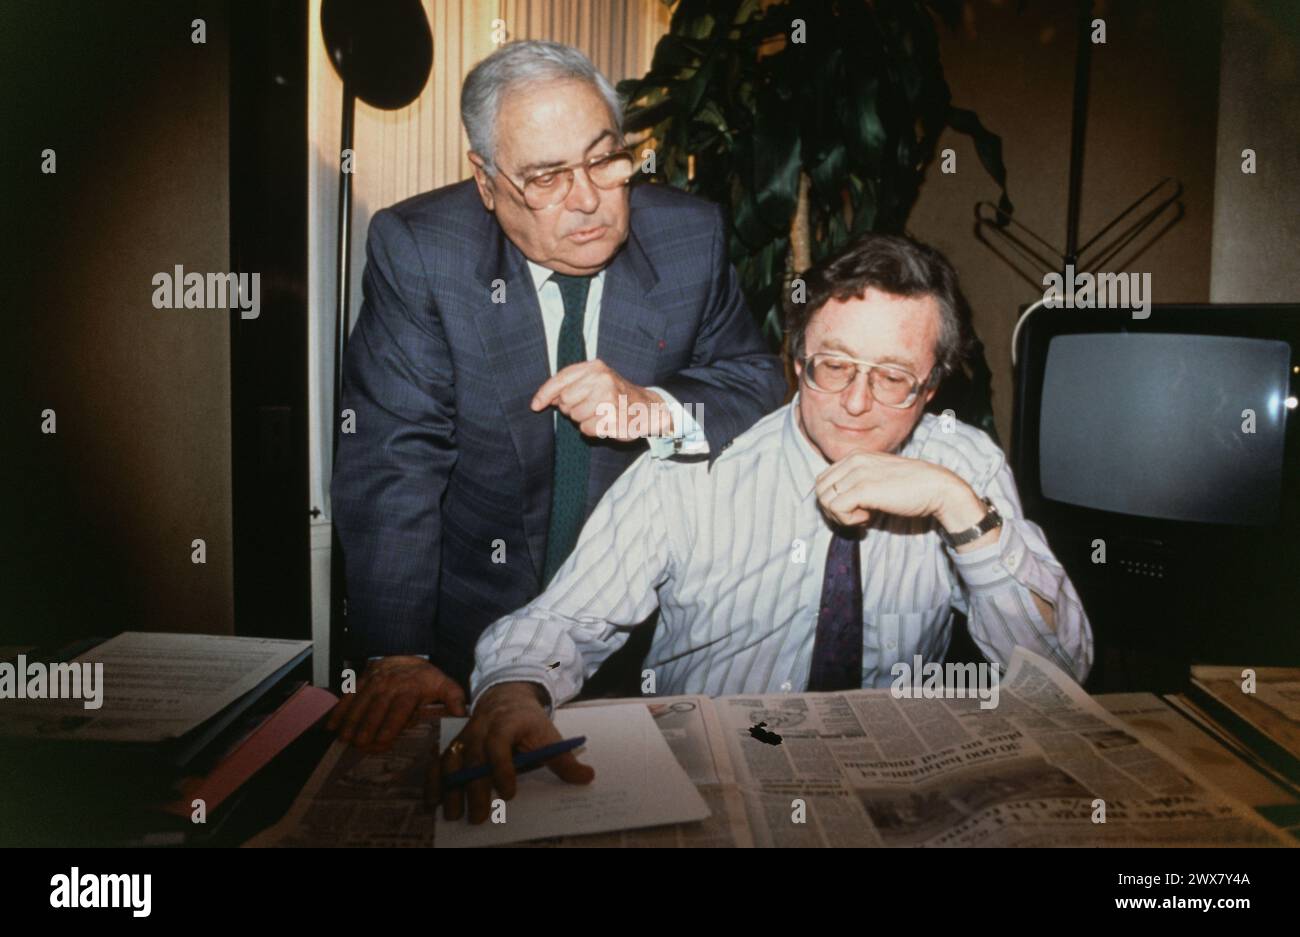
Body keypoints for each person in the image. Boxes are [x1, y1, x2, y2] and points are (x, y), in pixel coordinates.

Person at [432, 231, 1093, 823]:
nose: (857, 404)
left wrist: (959, 510)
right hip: (715, 787)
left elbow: (1059, 674)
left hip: (891, 792)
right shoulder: (696, 464)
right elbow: (564, 621)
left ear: (932, 386)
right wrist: (514, 691)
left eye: (894, 377)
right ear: (795, 358)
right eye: (833, 365)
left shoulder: (963, 465)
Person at [327, 40, 786, 751]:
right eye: (545, 176)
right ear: (486, 182)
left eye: (604, 158)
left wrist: (653, 406)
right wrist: (399, 655)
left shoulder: (690, 236)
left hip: (639, 646)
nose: (587, 198)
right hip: (466, 643)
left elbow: (756, 384)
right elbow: (395, 455)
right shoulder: (421, 252)